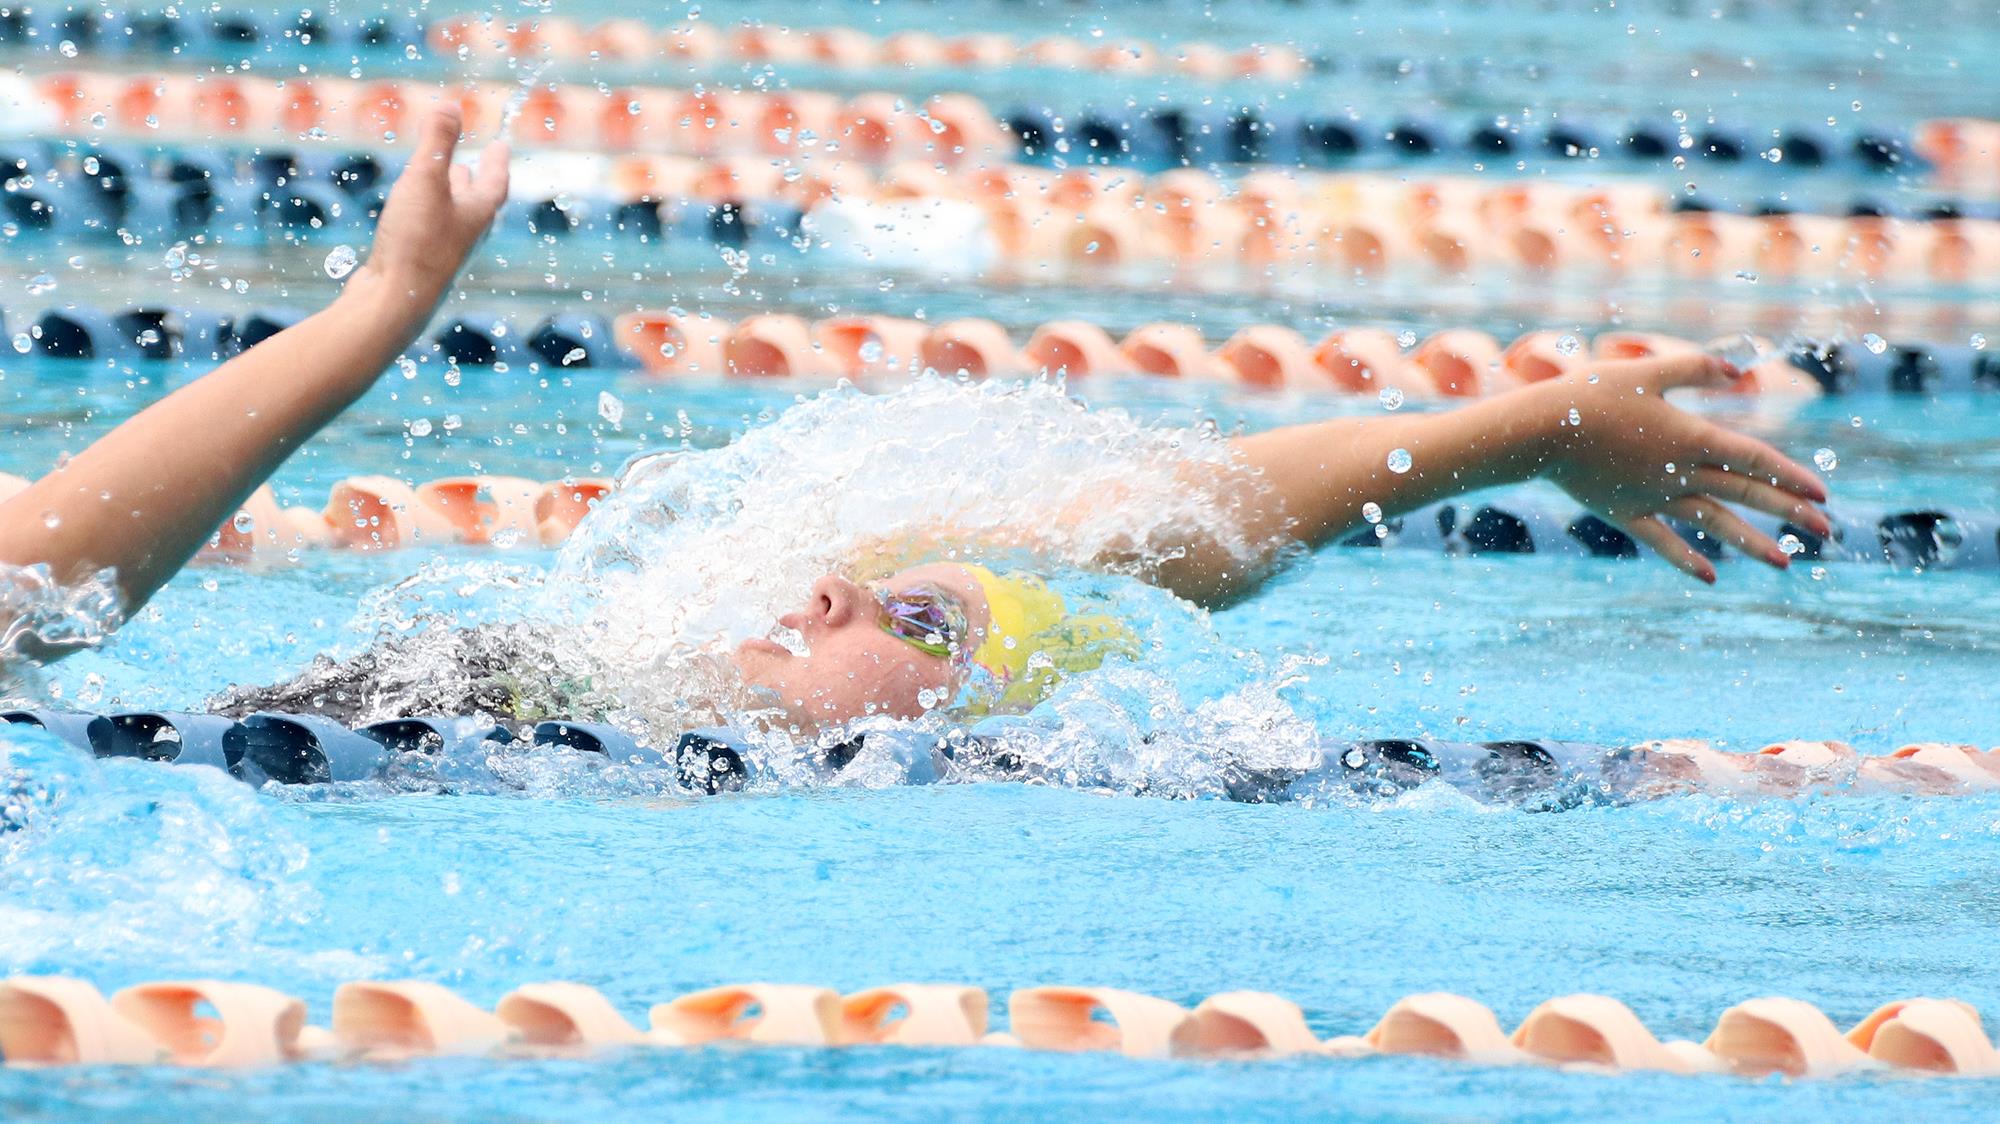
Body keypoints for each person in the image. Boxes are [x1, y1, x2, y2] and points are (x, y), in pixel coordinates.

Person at [0, 108, 1830, 737]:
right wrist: (1513, 431)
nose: (822, 590)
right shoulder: (550, 688)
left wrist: (380, 315)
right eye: (890, 591)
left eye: (920, 627)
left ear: (965, 738)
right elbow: (1166, 536)